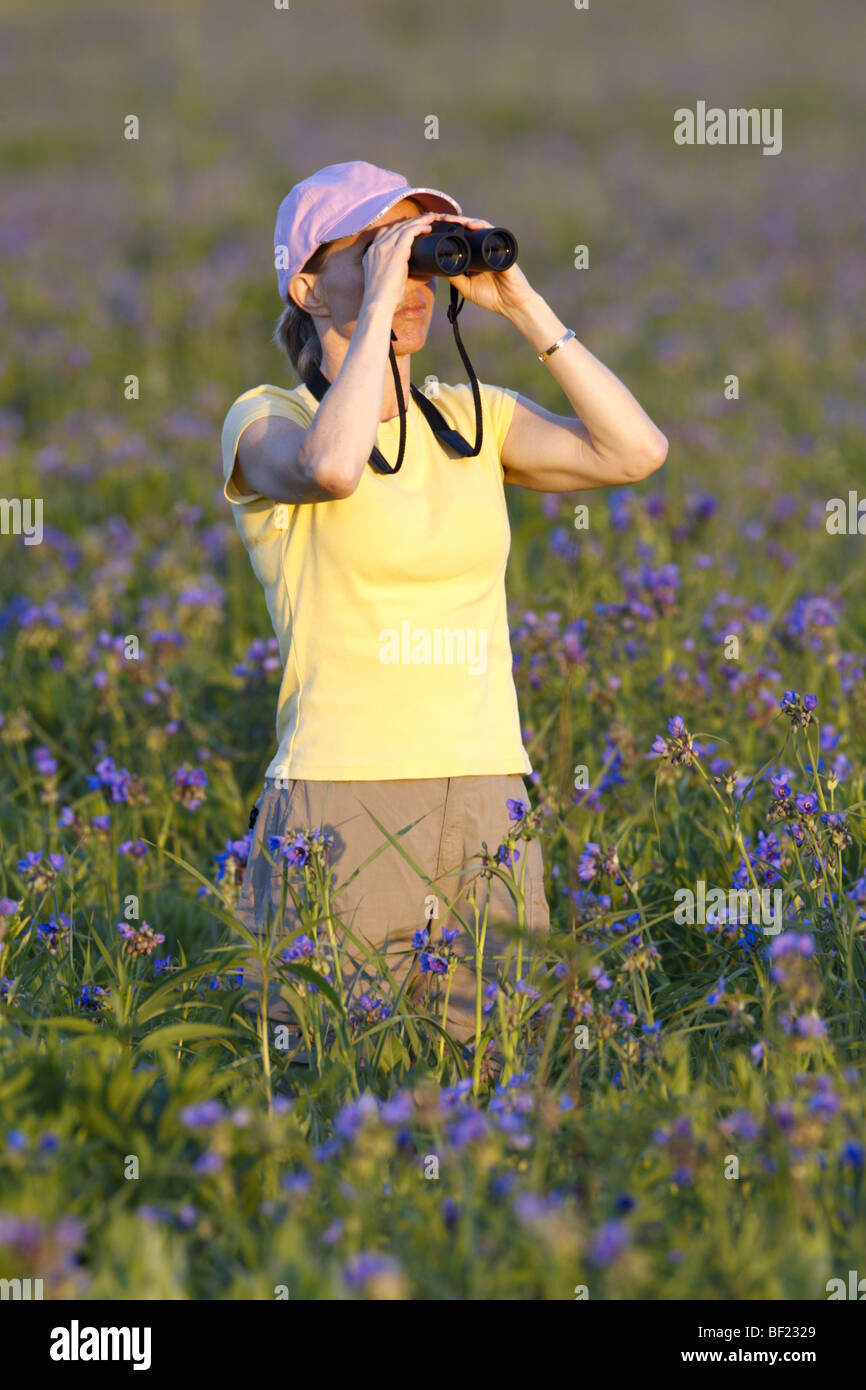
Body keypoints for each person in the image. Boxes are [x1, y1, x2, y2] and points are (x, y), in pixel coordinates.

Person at [220, 159, 668, 1050]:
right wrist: (381, 308)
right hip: (340, 801)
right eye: (382, 248)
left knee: (490, 1068)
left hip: (488, 790)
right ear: (307, 283)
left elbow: (636, 453)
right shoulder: (263, 419)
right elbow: (336, 467)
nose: (415, 276)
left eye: (424, 252)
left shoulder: (476, 417)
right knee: (334, 1067)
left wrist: (523, 305)